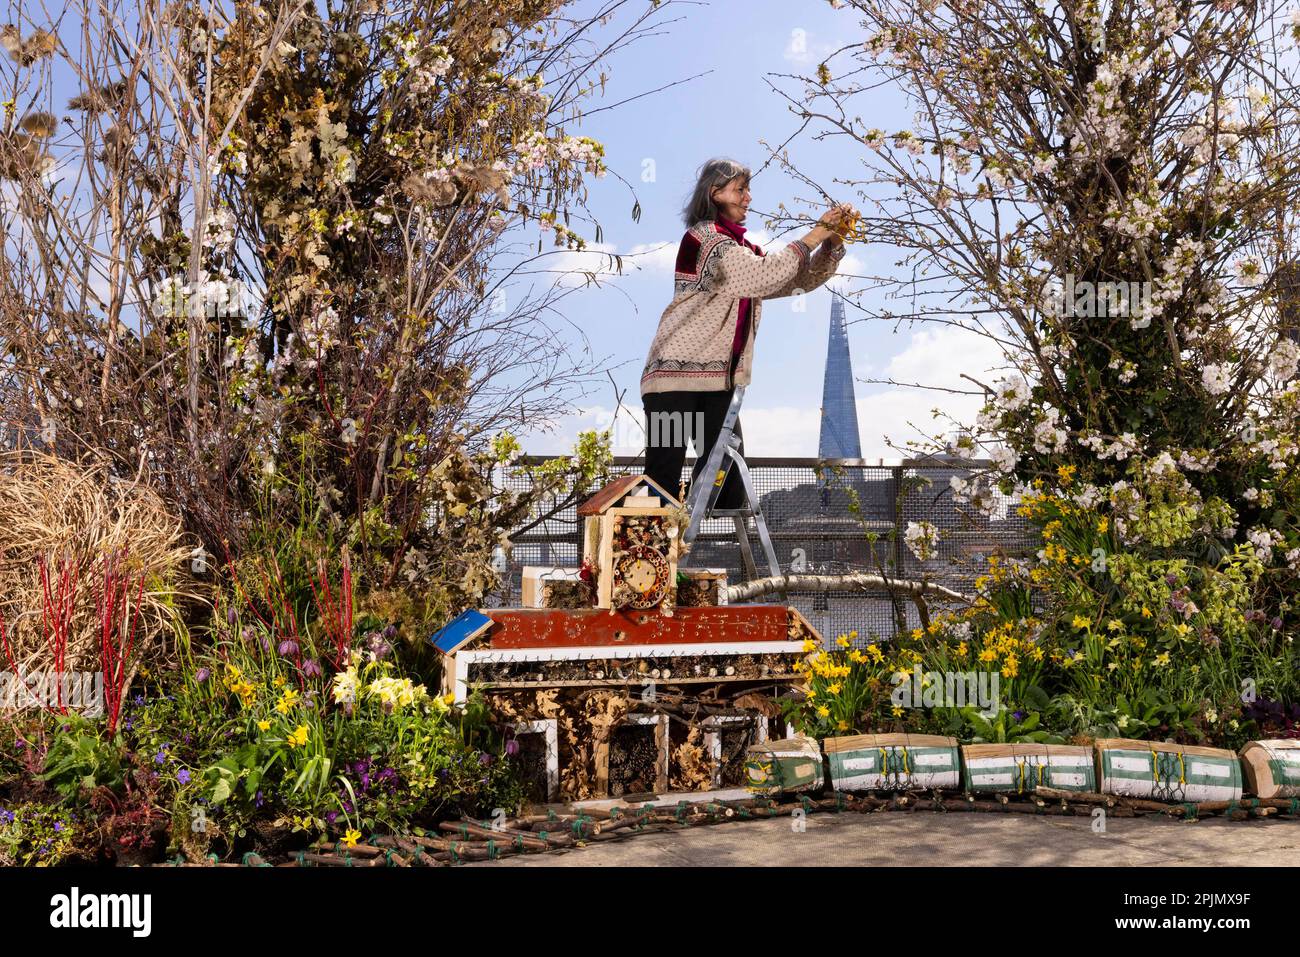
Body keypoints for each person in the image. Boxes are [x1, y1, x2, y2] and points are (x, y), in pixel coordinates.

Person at [640, 157, 854, 511]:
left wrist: (831, 243)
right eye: (740, 189)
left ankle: (681, 542)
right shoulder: (705, 239)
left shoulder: (742, 251)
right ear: (715, 192)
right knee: (662, 476)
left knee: (724, 484)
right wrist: (814, 232)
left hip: (718, 383)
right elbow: (764, 276)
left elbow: (796, 280)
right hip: (671, 381)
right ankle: (646, 558)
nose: (748, 197)